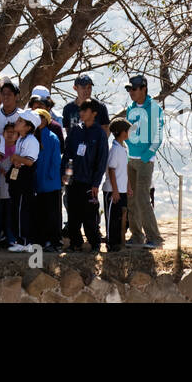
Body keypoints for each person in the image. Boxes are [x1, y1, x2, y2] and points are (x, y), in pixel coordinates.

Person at [124, 74, 164, 248]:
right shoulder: (130, 109)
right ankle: (137, 236)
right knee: (132, 199)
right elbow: (128, 131)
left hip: (145, 160)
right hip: (130, 159)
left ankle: (155, 238)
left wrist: (148, 155)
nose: (130, 92)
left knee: (142, 198)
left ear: (143, 89)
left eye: (133, 89)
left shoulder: (154, 108)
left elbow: (158, 135)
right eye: (128, 89)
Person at [62, 99, 107, 251]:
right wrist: (67, 176)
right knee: (73, 214)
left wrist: (96, 183)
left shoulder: (99, 134)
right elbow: (68, 155)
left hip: (88, 182)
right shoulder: (75, 131)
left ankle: (94, 244)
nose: (81, 113)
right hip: (73, 180)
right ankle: (76, 243)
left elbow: (101, 161)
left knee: (89, 215)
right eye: (80, 110)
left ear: (93, 113)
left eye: (85, 111)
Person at [7, 110, 40, 252]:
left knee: (22, 209)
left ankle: (25, 241)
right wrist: (16, 160)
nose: (17, 122)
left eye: (21, 121)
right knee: (16, 208)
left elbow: (30, 162)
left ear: (28, 127)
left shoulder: (32, 141)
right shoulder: (21, 139)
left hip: (26, 178)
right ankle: (20, 240)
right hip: (19, 177)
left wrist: (15, 158)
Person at [33, 108, 63, 250]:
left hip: (50, 182)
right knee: (39, 213)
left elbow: (56, 160)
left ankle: (54, 241)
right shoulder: (32, 136)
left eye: (39, 117)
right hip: (38, 181)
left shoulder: (52, 137)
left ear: (45, 120)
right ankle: (41, 240)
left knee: (52, 214)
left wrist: (51, 175)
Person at [103, 118, 131, 251]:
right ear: (122, 132)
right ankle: (111, 243)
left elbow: (124, 170)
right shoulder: (114, 149)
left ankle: (119, 242)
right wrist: (115, 190)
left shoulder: (123, 148)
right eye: (127, 131)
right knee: (113, 219)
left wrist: (128, 186)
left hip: (122, 189)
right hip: (113, 190)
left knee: (122, 218)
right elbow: (112, 170)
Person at [0, 120, 19, 248]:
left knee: (10, 214)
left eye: (13, 132)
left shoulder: (18, 149)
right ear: (3, 133)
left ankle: (10, 237)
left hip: (10, 186)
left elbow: (17, 168)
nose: (10, 135)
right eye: (8, 132)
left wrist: (10, 176)